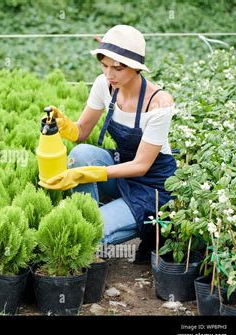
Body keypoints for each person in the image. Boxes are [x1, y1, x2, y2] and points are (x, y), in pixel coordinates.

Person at [39, 25, 176, 263]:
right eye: (104, 65)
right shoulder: (104, 85)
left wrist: (86, 174)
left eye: (117, 68)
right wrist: (64, 124)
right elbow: (81, 132)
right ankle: (85, 216)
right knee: (81, 153)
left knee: (92, 235)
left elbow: (141, 166)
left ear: (135, 68)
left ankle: (96, 230)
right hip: (122, 170)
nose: (109, 74)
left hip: (151, 186)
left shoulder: (158, 103)